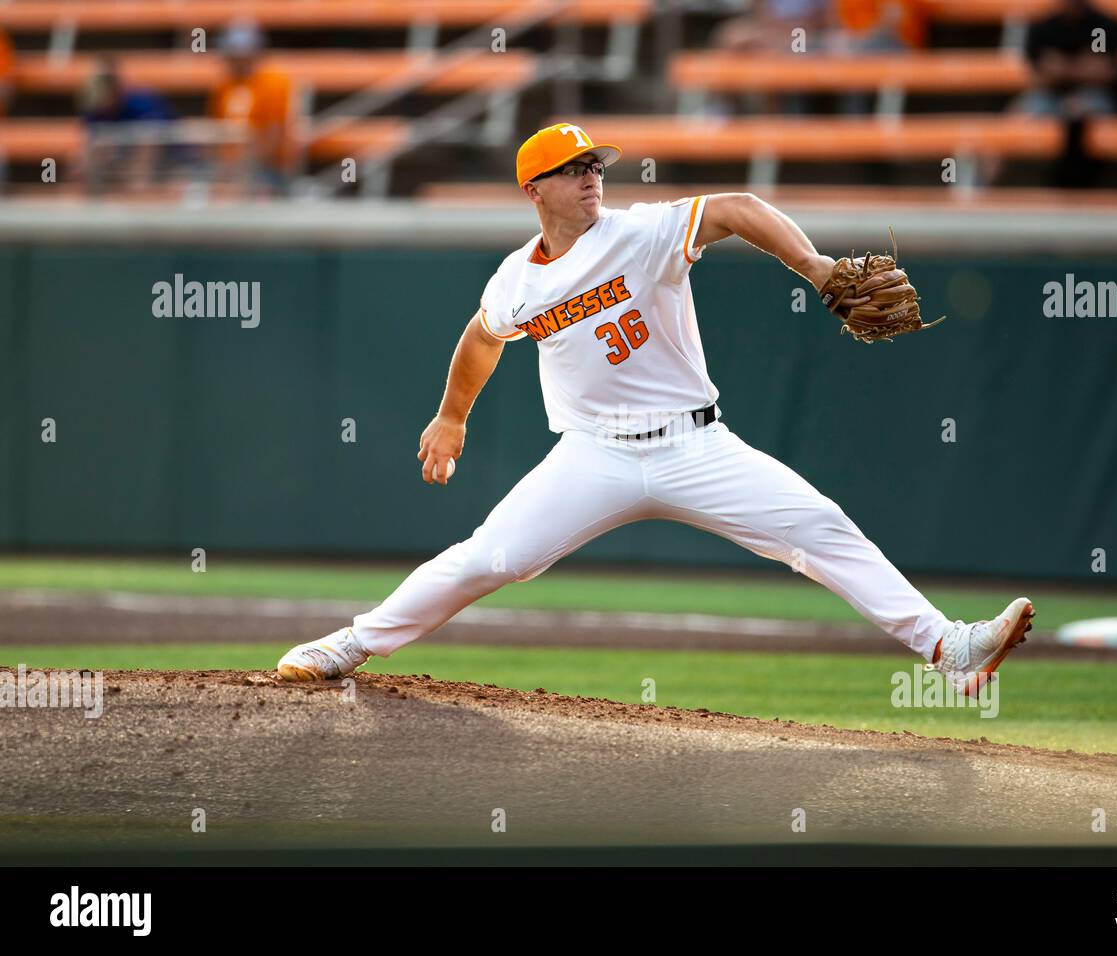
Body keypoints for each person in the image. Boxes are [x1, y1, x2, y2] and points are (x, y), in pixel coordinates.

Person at [275, 123, 1034, 696]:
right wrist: (453, 415)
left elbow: (736, 208)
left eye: (593, 165)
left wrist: (816, 266)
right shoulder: (517, 280)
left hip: (696, 446)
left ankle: (951, 647)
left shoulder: (642, 232)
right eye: (570, 171)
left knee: (819, 528)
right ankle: (349, 645)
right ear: (533, 191)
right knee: (490, 557)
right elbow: (482, 338)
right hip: (592, 455)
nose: (589, 177)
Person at [1000, 0, 1117, 188]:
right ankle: (974, 191)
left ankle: (1075, 187)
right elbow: (1037, 76)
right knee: (1011, 120)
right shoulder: (1044, 26)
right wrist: (1082, 68)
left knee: (1079, 111)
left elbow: (1106, 72)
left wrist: (1062, 69)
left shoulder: (1102, 24)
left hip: (1093, 96)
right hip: (1049, 97)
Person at [208, 20, 294, 196]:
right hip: (230, 168)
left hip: (265, 169)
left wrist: (245, 168)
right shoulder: (223, 85)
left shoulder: (273, 83)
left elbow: (273, 135)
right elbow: (217, 131)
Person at [79, 59, 180, 193]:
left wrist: (138, 179)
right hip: (122, 163)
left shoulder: (142, 103)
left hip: (168, 162)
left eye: (105, 82)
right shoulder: (94, 109)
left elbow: (155, 139)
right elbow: (91, 146)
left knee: (148, 138)